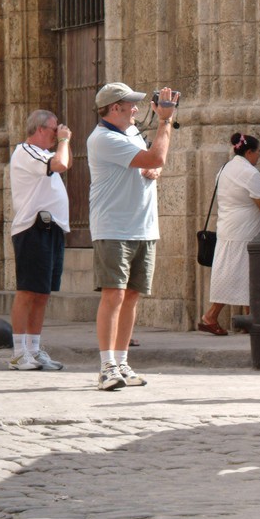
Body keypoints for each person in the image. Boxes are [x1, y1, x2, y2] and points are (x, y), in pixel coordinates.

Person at [87, 82, 177, 391]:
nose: (137, 109)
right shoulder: (103, 138)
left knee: (133, 295)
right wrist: (165, 121)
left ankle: (122, 361)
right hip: (114, 228)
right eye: (131, 105)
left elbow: (152, 163)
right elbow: (155, 158)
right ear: (115, 108)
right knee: (114, 294)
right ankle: (106, 365)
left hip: (143, 226)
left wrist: (153, 170)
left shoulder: (131, 133)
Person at [8, 109, 72, 371]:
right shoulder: (27, 151)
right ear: (40, 129)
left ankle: (34, 349)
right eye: (55, 129)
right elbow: (62, 164)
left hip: (51, 229)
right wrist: (66, 141)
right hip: (33, 229)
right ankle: (18, 353)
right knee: (27, 291)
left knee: (42, 293)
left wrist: (61, 144)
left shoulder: (44, 154)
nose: (58, 135)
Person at [196, 133, 260, 335]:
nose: (259, 157)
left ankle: (248, 321)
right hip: (244, 233)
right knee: (244, 274)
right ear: (249, 152)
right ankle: (211, 316)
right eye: (258, 153)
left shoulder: (225, 169)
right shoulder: (250, 173)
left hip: (227, 229)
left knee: (241, 275)